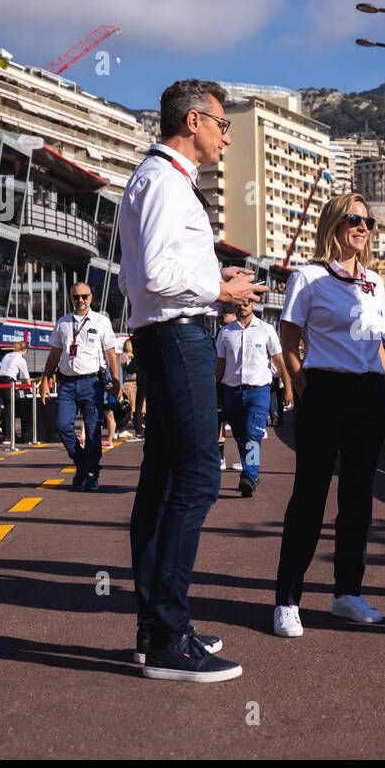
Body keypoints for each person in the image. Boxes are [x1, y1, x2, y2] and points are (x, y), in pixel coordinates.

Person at [120, 77, 265, 682]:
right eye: (222, 123)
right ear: (193, 121)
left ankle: (158, 628)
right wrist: (220, 289)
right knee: (199, 478)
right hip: (175, 338)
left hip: (174, 335)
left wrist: (214, 282)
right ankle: (168, 635)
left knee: (165, 479)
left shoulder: (163, 181)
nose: (226, 134)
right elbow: (154, 274)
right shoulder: (161, 182)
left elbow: (159, 269)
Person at [273, 193, 385, 639]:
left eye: (368, 221)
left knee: (358, 498)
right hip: (324, 391)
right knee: (309, 497)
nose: (362, 228)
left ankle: (347, 592)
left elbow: (378, 342)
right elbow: (289, 341)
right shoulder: (308, 278)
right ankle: (287, 598)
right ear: (333, 225)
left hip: (370, 394)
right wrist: (305, 390)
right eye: (353, 220)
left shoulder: (375, 282)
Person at [40, 282, 120, 491]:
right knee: (62, 425)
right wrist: (44, 381)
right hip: (66, 383)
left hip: (92, 382)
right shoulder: (63, 322)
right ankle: (82, 463)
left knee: (93, 430)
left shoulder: (102, 322)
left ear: (91, 297)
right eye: (76, 297)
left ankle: (92, 473)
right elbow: (55, 354)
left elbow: (111, 355)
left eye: (84, 296)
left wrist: (116, 383)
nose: (80, 301)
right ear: (70, 297)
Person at [215, 297, 290, 497]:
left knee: (252, 434)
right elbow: (220, 364)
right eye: (239, 304)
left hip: (259, 391)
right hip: (232, 392)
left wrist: (288, 387)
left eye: (247, 303)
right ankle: (250, 470)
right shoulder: (225, 332)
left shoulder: (266, 329)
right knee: (241, 436)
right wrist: (213, 389)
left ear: (253, 305)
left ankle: (250, 475)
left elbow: (279, 361)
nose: (243, 306)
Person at [216, 309, 238, 470]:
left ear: (234, 315)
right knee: (218, 421)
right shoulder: (221, 333)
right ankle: (220, 458)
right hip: (221, 384)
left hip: (237, 384)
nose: (220, 319)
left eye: (224, 316)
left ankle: (245, 459)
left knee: (241, 424)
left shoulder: (242, 331)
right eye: (219, 317)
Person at [0, 341, 32, 444]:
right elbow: (26, 376)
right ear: (25, 350)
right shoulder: (21, 359)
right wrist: (31, 389)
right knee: (10, 410)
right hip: (9, 382)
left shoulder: (7, 355)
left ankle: (5, 431)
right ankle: (8, 437)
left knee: (4, 410)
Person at [119, 338, 143, 440]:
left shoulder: (128, 356)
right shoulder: (125, 357)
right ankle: (124, 429)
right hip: (130, 384)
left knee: (134, 407)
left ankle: (131, 428)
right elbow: (127, 371)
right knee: (132, 407)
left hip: (134, 383)